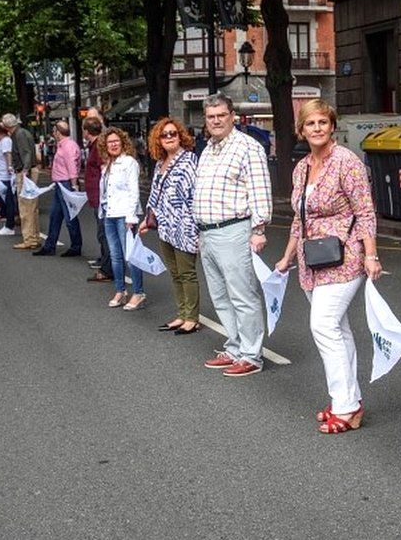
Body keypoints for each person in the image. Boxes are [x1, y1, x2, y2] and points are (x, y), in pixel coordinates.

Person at [275, 99, 381, 433]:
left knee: (323, 325)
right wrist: (287, 257)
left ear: (332, 126)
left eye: (323, 122)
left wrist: (371, 255)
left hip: (345, 255)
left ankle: (347, 407)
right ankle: (347, 400)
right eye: (311, 124)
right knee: (338, 329)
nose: (317, 128)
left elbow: (365, 211)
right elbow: (300, 219)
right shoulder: (302, 167)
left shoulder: (346, 162)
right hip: (312, 259)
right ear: (302, 130)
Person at [194, 93, 272, 378]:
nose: (216, 120)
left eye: (221, 115)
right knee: (220, 296)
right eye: (210, 116)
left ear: (232, 116)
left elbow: (260, 190)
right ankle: (235, 346)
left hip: (234, 229)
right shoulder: (207, 149)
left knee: (242, 295)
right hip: (208, 232)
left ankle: (252, 355)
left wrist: (259, 230)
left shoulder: (247, 147)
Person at [139, 117, 201, 335]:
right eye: (164, 134)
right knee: (175, 273)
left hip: (184, 226)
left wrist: (197, 228)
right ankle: (182, 314)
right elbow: (155, 195)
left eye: (173, 133)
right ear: (158, 139)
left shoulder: (189, 160)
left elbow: (195, 197)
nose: (169, 137)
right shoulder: (160, 163)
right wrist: (147, 220)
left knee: (187, 273)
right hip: (166, 227)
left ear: (180, 136)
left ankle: (192, 318)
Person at [98, 127, 146, 311]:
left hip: (124, 216)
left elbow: (134, 191)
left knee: (130, 256)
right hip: (109, 214)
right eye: (110, 142)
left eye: (116, 141)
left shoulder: (129, 163)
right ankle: (120, 290)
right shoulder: (108, 164)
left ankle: (139, 292)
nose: (113, 144)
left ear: (123, 142)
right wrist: (102, 211)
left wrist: (131, 217)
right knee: (115, 256)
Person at [34, 121, 82, 257]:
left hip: (66, 184)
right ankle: (50, 245)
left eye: (54, 131)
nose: (53, 133)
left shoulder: (68, 146)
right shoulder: (63, 145)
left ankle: (76, 246)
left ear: (58, 132)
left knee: (70, 217)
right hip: (60, 184)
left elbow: (72, 167)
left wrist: (74, 186)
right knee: (55, 216)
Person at [82, 115, 113, 282]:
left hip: (101, 197)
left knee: (104, 233)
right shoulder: (95, 145)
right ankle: (106, 263)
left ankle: (108, 269)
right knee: (103, 233)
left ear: (86, 132)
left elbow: (104, 170)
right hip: (97, 195)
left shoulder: (98, 147)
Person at [3, 113, 40, 250]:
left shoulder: (19, 135)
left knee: (25, 208)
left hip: (25, 172)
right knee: (32, 207)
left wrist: (25, 171)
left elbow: (26, 153)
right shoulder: (23, 132)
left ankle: (29, 239)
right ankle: (34, 237)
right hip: (29, 170)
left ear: (7, 126)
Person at [0, 123, 17, 237]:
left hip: (5, 177)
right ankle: (8, 225)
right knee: (6, 202)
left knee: (8, 202)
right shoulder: (3, 141)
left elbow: (8, 154)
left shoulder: (6, 140)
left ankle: (9, 226)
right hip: (1, 176)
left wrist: (9, 167)